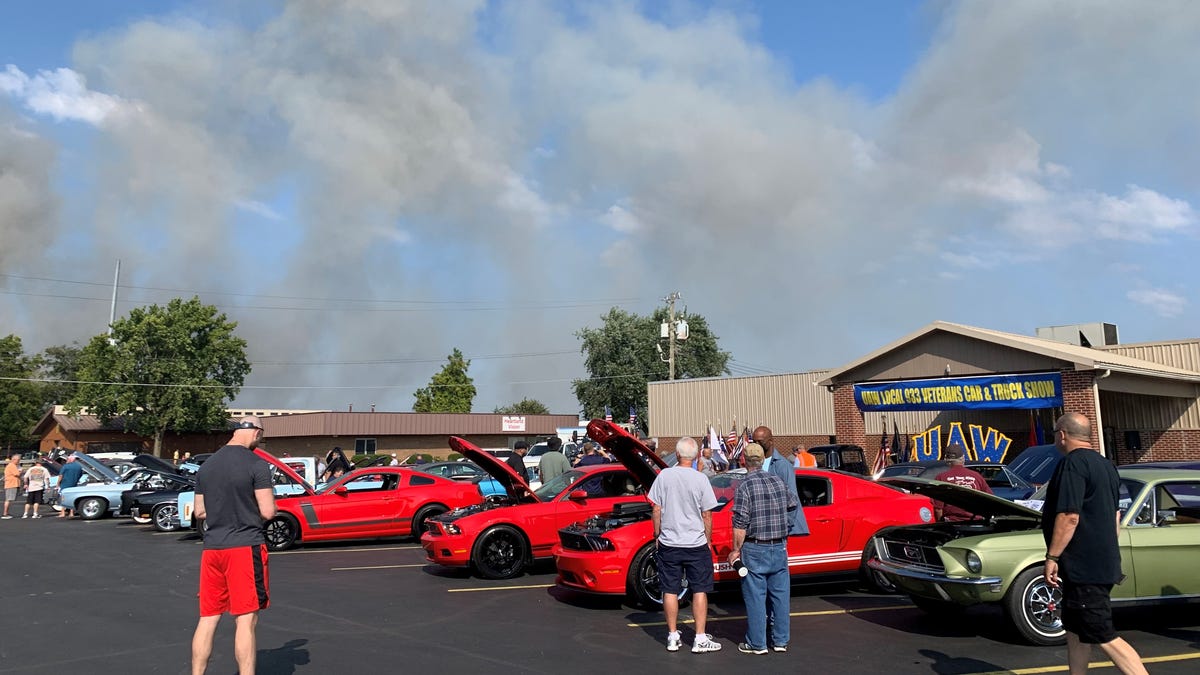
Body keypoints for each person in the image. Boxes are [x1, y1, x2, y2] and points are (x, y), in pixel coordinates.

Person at [1042, 413, 1147, 675]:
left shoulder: (1072, 464)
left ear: (1062, 434)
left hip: (1084, 569)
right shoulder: (1106, 466)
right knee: (1076, 630)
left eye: (1055, 433)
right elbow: (1115, 516)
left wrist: (1052, 557)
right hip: (1097, 564)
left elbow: (1069, 515)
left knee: (1102, 633)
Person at [191, 417, 277, 675]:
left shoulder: (207, 466)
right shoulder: (257, 464)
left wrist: (224, 511)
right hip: (244, 547)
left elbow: (199, 511)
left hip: (212, 549)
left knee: (208, 617)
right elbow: (268, 511)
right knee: (246, 619)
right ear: (257, 433)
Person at [646, 437, 722, 654]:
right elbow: (707, 514)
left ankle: (672, 635)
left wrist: (657, 534)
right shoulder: (701, 479)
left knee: (669, 589)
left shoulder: (664, 475)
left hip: (670, 542)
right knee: (700, 589)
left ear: (677, 455)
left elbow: (656, 509)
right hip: (695, 543)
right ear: (696, 456)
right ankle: (700, 637)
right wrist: (708, 539)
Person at [729, 442, 798, 655]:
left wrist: (735, 550)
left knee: (755, 597)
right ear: (762, 460)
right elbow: (793, 505)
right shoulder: (777, 480)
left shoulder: (744, 486)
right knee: (780, 596)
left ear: (744, 461)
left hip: (755, 546)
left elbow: (740, 523)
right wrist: (785, 527)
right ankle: (780, 640)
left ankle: (757, 643)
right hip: (778, 545)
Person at [753, 426, 809, 537]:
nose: (756, 444)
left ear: (770, 441)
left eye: (760, 441)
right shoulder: (754, 464)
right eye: (754, 441)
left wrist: (784, 525)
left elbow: (792, 497)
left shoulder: (782, 465)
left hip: (780, 529)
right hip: (762, 526)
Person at [933, 444, 993, 521]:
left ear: (947, 460)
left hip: (952, 523)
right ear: (963, 458)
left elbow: (938, 508)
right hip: (976, 523)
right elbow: (990, 500)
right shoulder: (977, 476)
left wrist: (941, 524)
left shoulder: (941, 478)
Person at [57, 453, 84, 518]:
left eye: (67, 459)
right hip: (74, 484)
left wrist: (58, 483)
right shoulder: (79, 466)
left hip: (65, 484)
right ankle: (71, 513)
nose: (66, 460)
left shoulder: (66, 466)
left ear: (70, 460)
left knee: (63, 498)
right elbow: (81, 474)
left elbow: (61, 475)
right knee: (72, 497)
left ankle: (63, 512)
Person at [3, 453, 21, 519]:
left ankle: (6, 513)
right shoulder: (12, 466)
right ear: (14, 459)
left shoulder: (12, 465)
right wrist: (20, 471)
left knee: (9, 499)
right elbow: (17, 474)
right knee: (8, 499)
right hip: (11, 484)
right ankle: (5, 513)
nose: (19, 461)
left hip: (11, 484)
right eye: (18, 460)